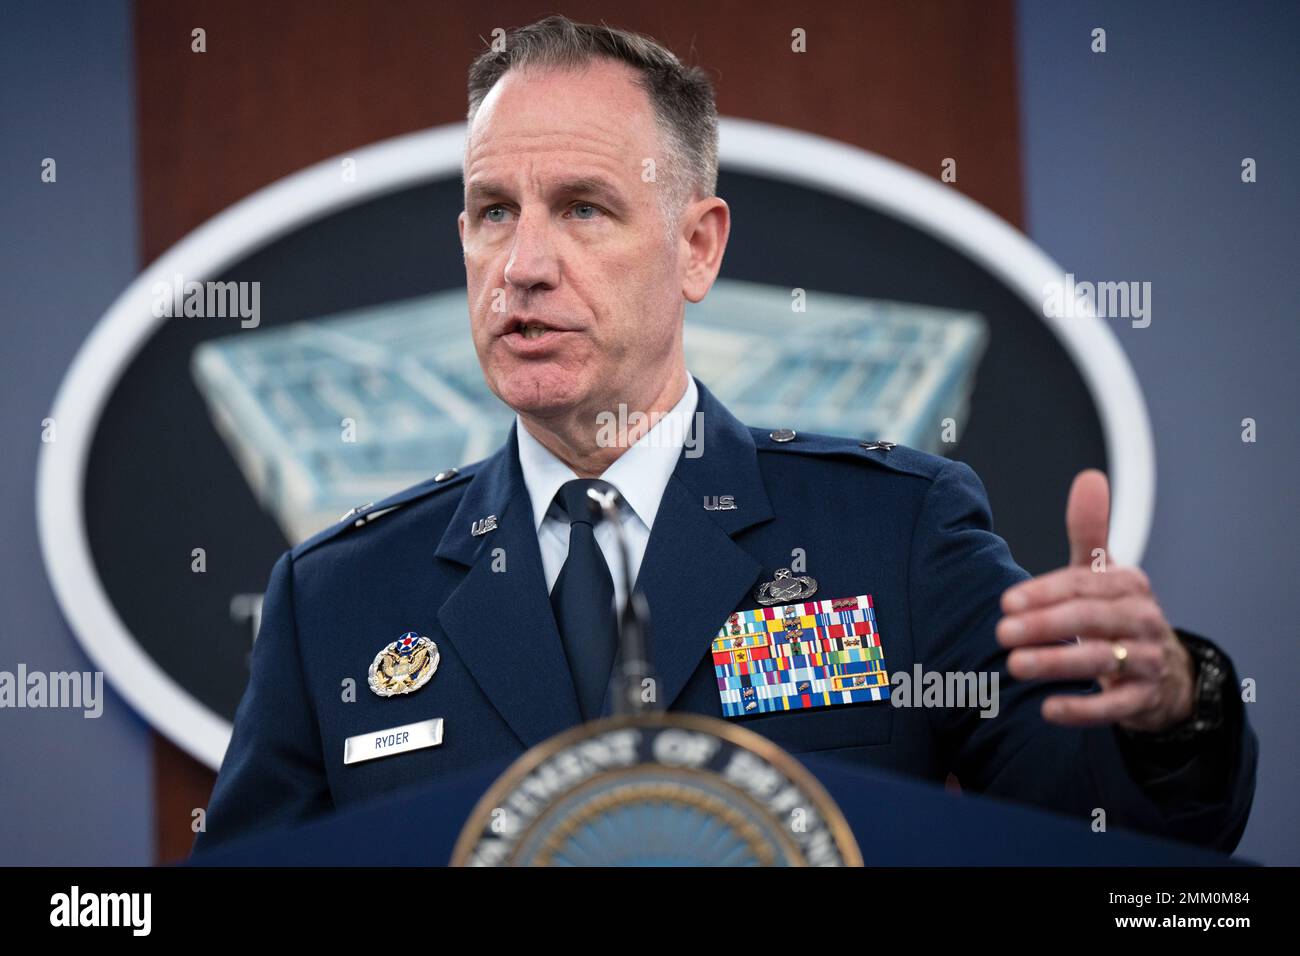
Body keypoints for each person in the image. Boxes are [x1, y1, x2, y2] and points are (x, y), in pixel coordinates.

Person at [192, 15, 1255, 855]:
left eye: (583, 209)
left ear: (696, 247)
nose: (521, 264)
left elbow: (1112, 845)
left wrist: (1173, 705)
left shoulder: (888, 534)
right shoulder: (337, 598)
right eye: (490, 211)